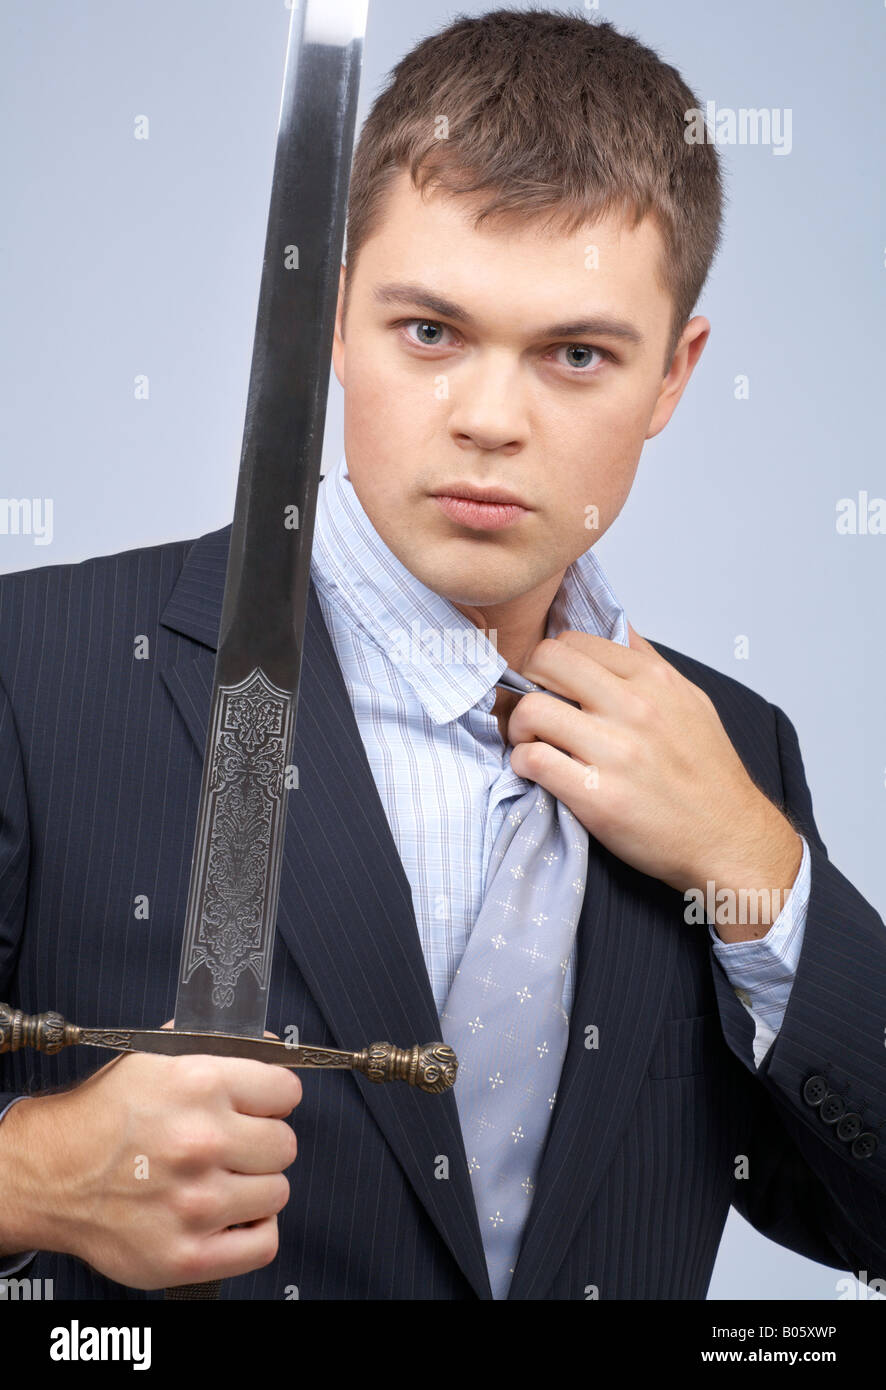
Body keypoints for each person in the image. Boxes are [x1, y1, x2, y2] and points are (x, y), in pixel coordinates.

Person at [0, 9, 884, 1301]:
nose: (487, 419)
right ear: (334, 313)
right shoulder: (36, 671)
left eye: (575, 354)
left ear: (671, 377)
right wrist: (26, 1174)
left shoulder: (736, 753)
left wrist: (758, 869)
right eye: (429, 332)